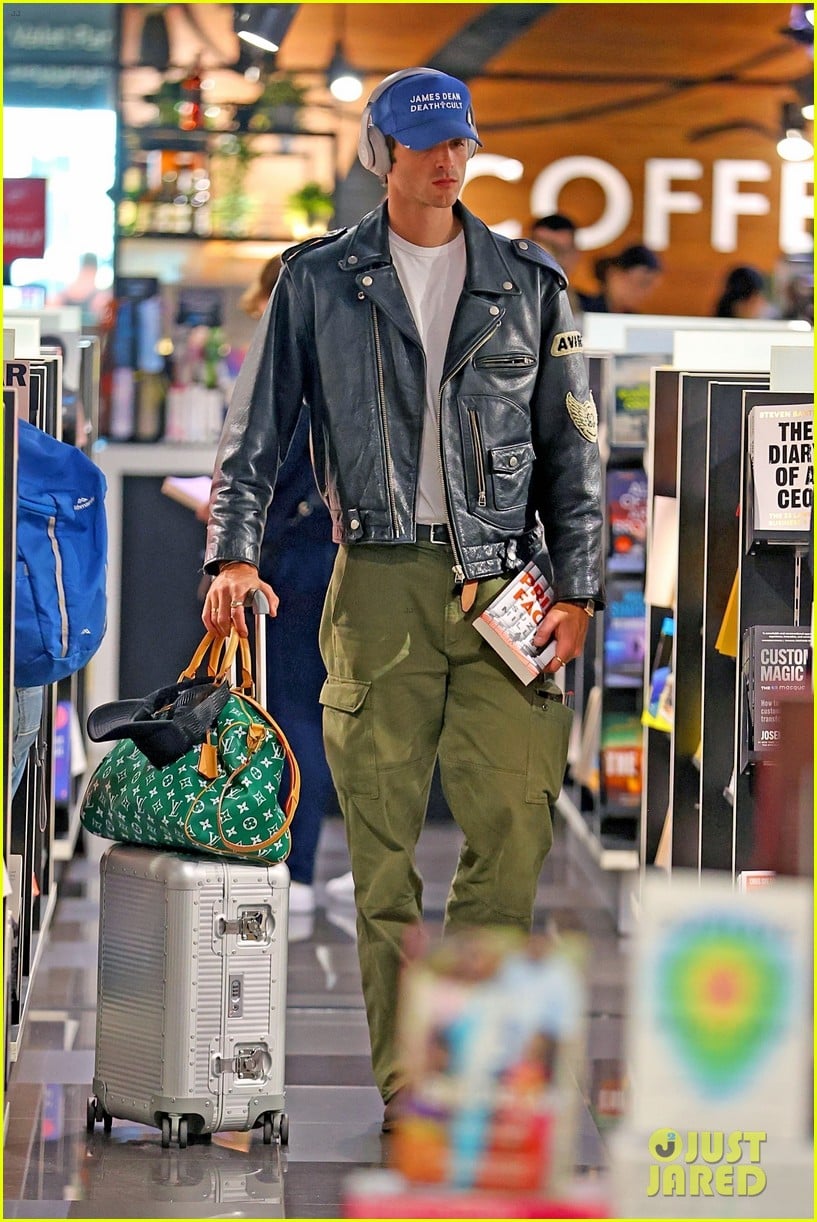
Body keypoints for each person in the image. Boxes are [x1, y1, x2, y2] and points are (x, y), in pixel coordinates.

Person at [201, 67, 604, 1131]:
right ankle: (409, 1086)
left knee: (512, 831)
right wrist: (231, 556)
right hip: (375, 580)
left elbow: (574, 450)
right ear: (380, 154)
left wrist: (579, 588)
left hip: (504, 585)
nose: (447, 161)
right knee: (379, 852)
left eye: (460, 143)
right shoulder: (320, 280)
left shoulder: (528, 282)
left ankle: (470, 1062)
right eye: (425, 144)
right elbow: (253, 433)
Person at [206, 256, 338, 915]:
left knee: (292, 715)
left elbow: (262, 474)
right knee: (323, 711)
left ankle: (297, 865)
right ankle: (313, 864)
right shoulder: (343, 364)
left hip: (291, 565)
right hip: (335, 558)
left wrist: (233, 542)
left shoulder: (292, 379)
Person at [579, 242, 662, 314]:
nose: (644, 293)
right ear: (613, 274)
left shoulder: (633, 319)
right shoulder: (579, 308)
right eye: (642, 282)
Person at [530, 213, 583, 315]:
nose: (552, 261)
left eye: (561, 252)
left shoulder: (596, 309)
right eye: (543, 252)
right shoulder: (504, 304)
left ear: (575, 255)